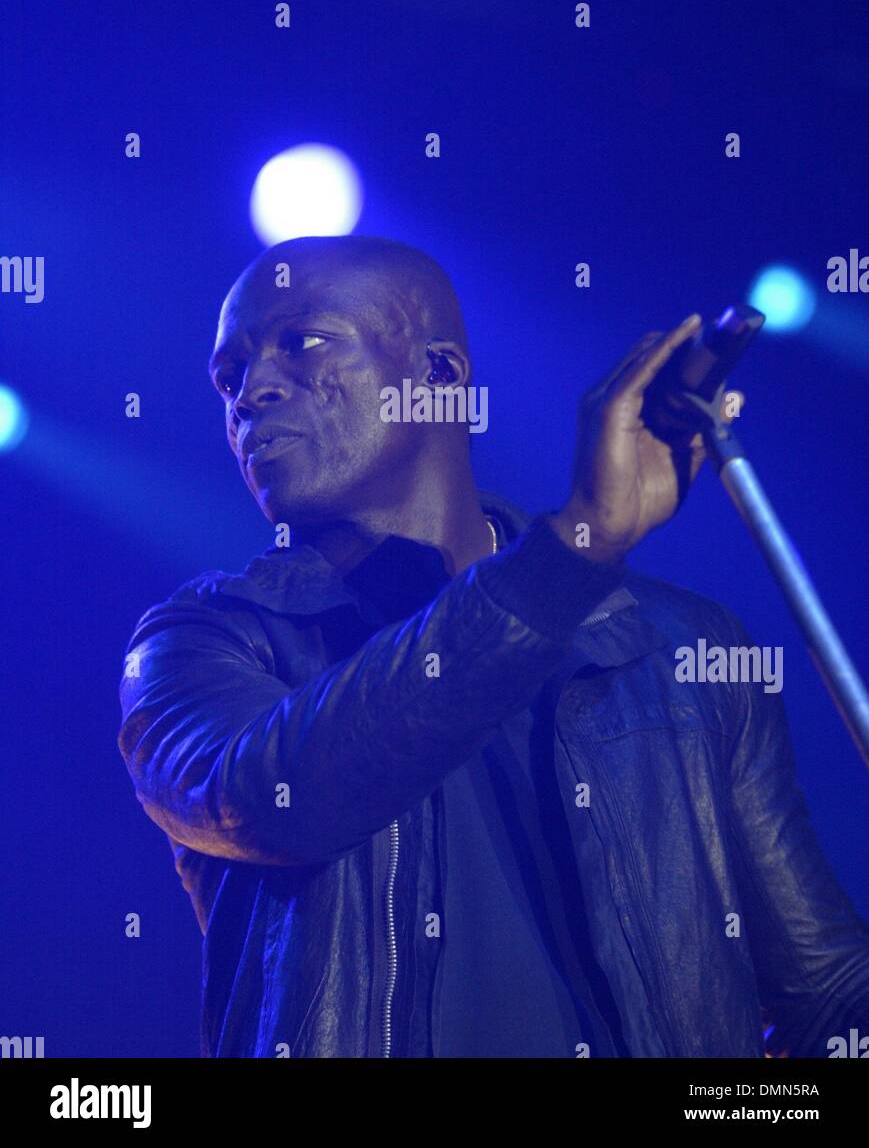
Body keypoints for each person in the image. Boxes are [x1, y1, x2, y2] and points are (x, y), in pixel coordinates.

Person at [118, 234, 869, 1058]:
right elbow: (272, 797)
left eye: (302, 342)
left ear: (438, 378)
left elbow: (821, 992)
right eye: (229, 378)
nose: (251, 390)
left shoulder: (676, 648)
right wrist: (569, 552)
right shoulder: (205, 642)